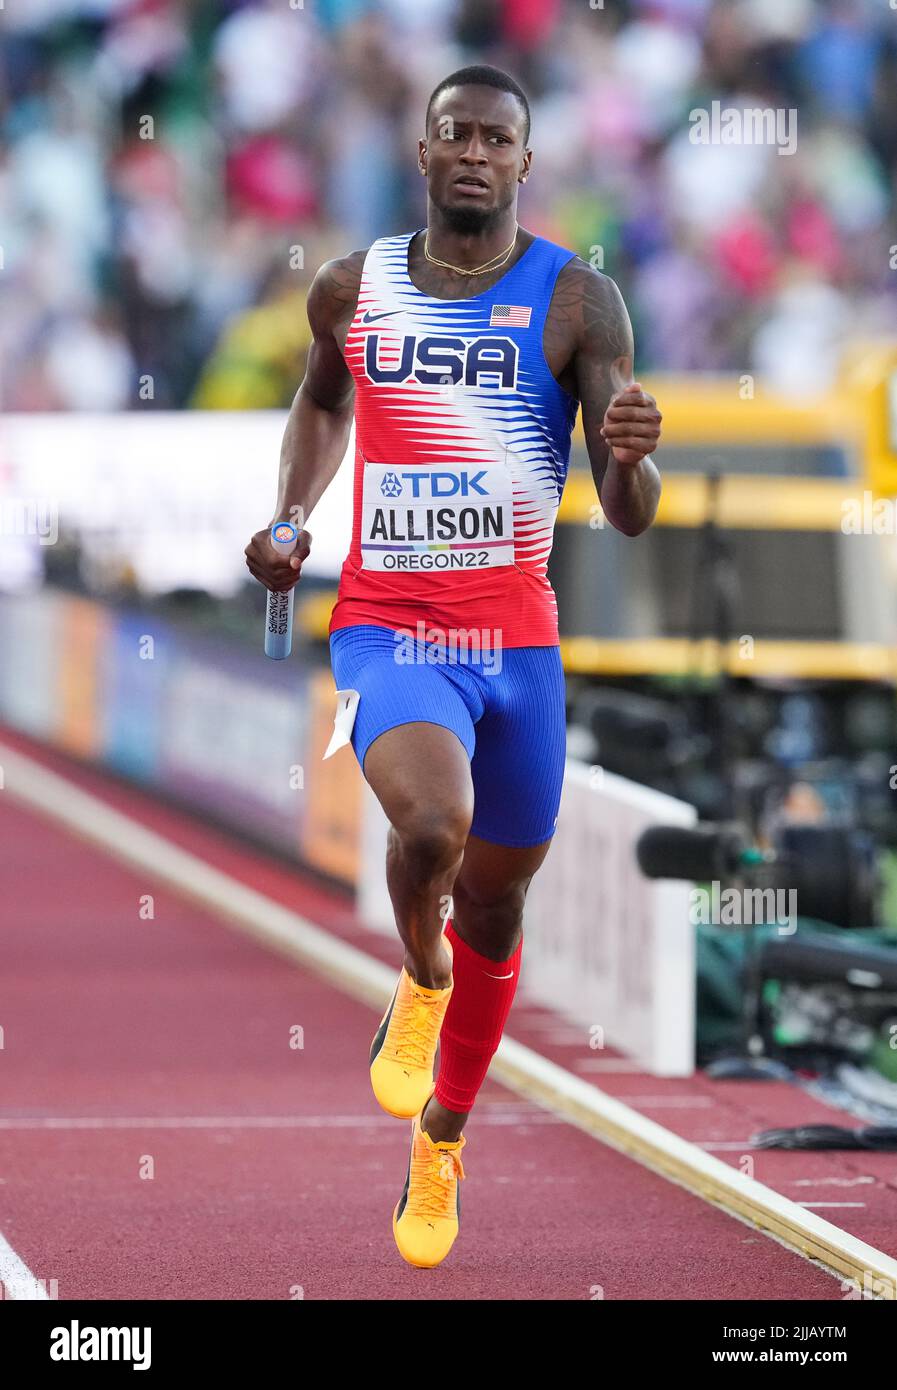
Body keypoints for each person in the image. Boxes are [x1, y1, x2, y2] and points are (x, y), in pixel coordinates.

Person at [245, 64, 662, 1268]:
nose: (475, 153)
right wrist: (291, 518)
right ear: (422, 154)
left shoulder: (581, 303)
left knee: (499, 899)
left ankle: (443, 1139)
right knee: (433, 827)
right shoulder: (352, 286)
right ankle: (417, 975)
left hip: (516, 639)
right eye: (454, 135)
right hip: (390, 621)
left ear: (526, 164)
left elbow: (628, 511)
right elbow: (321, 405)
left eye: (498, 139)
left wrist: (631, 460)